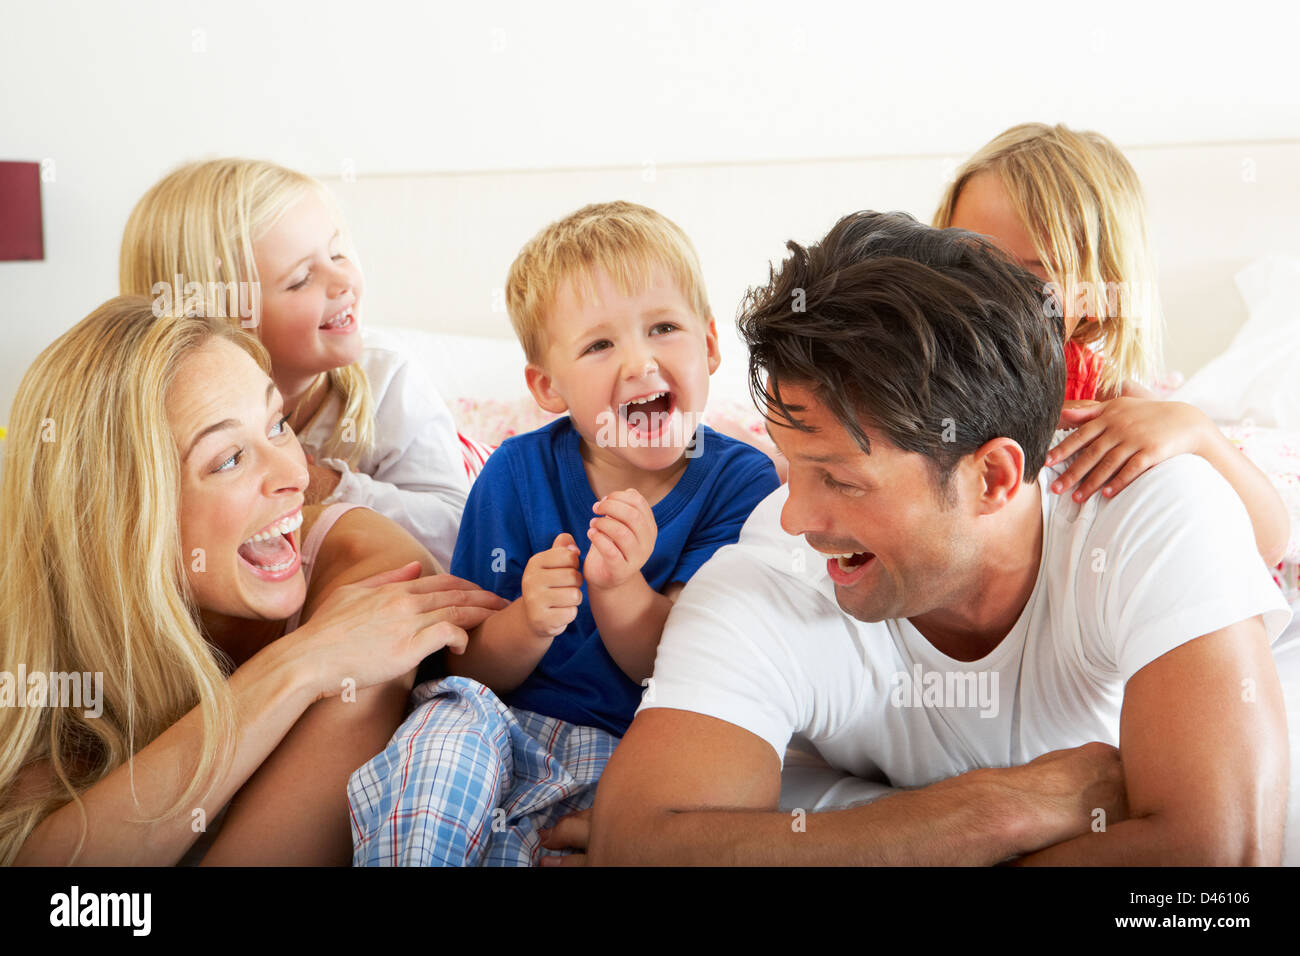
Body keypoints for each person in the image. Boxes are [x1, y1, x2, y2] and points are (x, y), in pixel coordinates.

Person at [552, 210, 1290, 866]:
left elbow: (1213, 882)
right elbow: (639, 844)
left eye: (839, 479)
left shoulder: (1152, 515)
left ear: (993, 478)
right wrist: (992, 813)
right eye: (790, 468)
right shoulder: (768, 574)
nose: (793, 518)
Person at [346, 201, 781, 865]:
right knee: (443, 727)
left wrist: (619, 587)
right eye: (600, 344)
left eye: (663, 327)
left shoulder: (742, 483)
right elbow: (464, 663)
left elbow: (687, 661)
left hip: (641, 752)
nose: (639, 363)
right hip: (503, 727)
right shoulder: (513, 473)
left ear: (712, 346)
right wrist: (528, 622)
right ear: (548, 386)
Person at [0, 296, 505, 865]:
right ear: (121, 519)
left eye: (278, 424)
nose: (296, 474)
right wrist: (300, 665)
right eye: (228, 459)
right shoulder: (52, 653)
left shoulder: (366, 572)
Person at [935, 123, 1288, 566]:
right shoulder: (922, 369)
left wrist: (1197, 434)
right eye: (970, 263)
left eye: (1035, 274)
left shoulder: (1099, 397)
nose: (990, 293)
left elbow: (1267, 542)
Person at [120, 158, 469, 570]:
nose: (344, 282)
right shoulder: (157, 422)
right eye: (301, 278)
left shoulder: (385, 377)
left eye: (338, 253)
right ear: (220, 316)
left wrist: (329, 485)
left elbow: (461, 535)